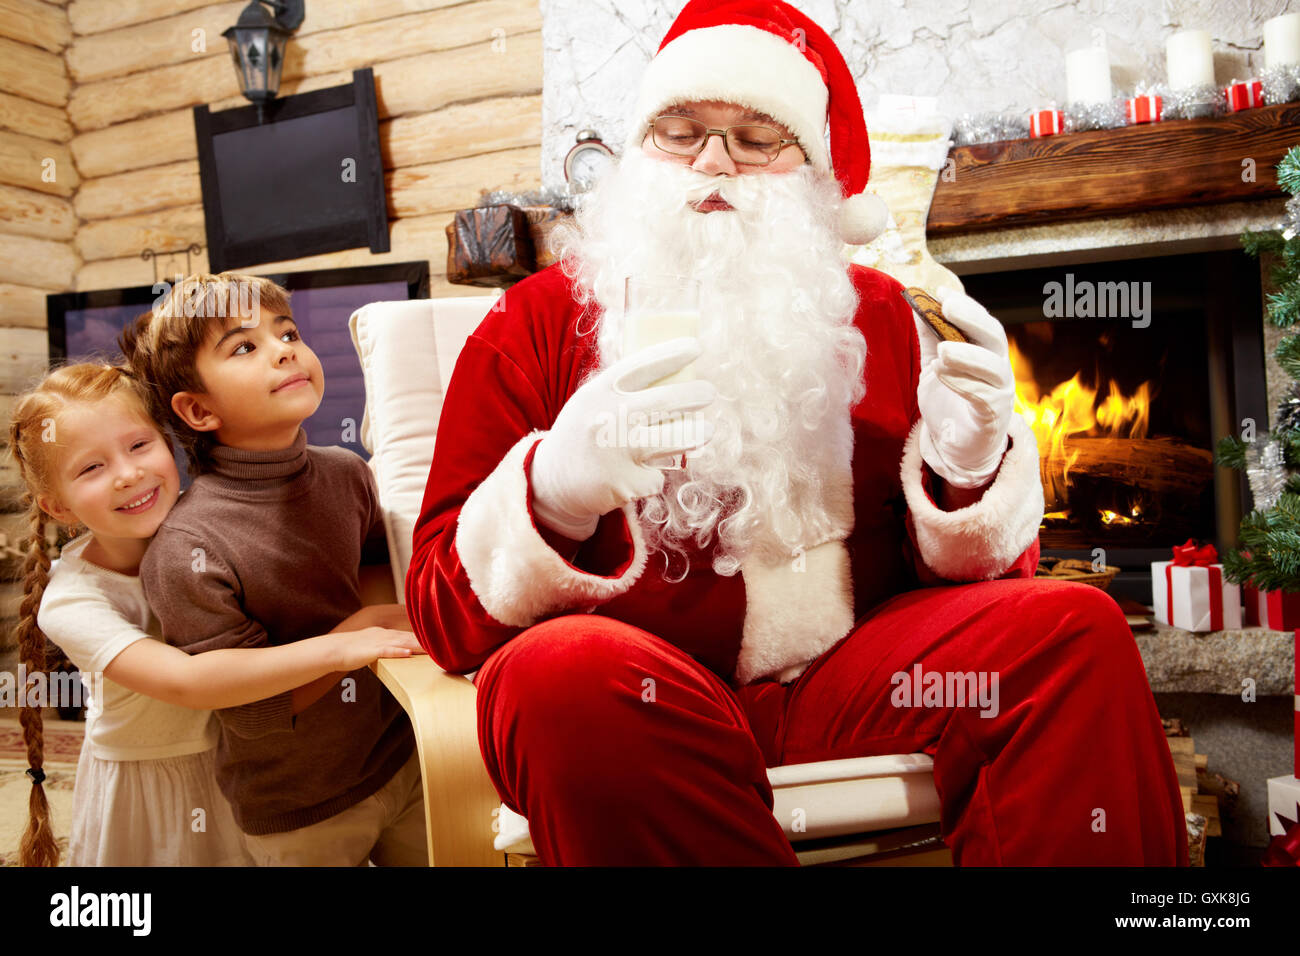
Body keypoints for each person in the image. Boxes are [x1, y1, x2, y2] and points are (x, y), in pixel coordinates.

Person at [405, 0, 1188, 865]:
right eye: (681, 130)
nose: (713, 161)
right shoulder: (534, 325)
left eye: (755, 137)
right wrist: (552, 494)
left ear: (813, 174)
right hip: (639, 694)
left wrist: (966, 471)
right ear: (638, 152)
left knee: (1070, 631)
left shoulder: (884, 316)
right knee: (557, 678)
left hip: (851, 686)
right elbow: (441, 613)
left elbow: (983, 587)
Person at [10, 362, 422, 867]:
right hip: (153, 781)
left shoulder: (202, 527)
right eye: (91, 468)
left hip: (242, 760)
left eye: (139, 445)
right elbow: (189, 681)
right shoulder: (73, 602)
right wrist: (344, 644)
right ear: (59, 508)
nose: (129, 473)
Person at [120, 274, 426, 867]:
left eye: (286, 332)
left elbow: (376, 592)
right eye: (244, 346)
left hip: (401, 756)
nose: (285, 348)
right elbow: (251, 708)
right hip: (300, 802)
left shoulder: (346, 472)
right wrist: (352, 639)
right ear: (199, 410)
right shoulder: (188, 544)